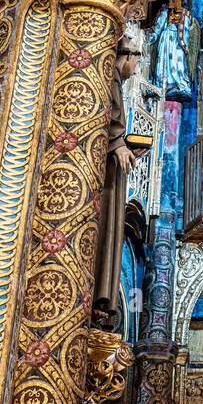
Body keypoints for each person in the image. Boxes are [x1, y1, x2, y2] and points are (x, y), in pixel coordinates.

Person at [92, 29, 148, 327]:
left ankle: (103, 301)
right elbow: (101, 117)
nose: (137, 67)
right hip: (107, 174)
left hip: (115, 169)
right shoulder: (107, 76)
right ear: (126, 56)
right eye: (137, 59)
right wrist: (117, 144)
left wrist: (124, 146)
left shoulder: (114, 79)